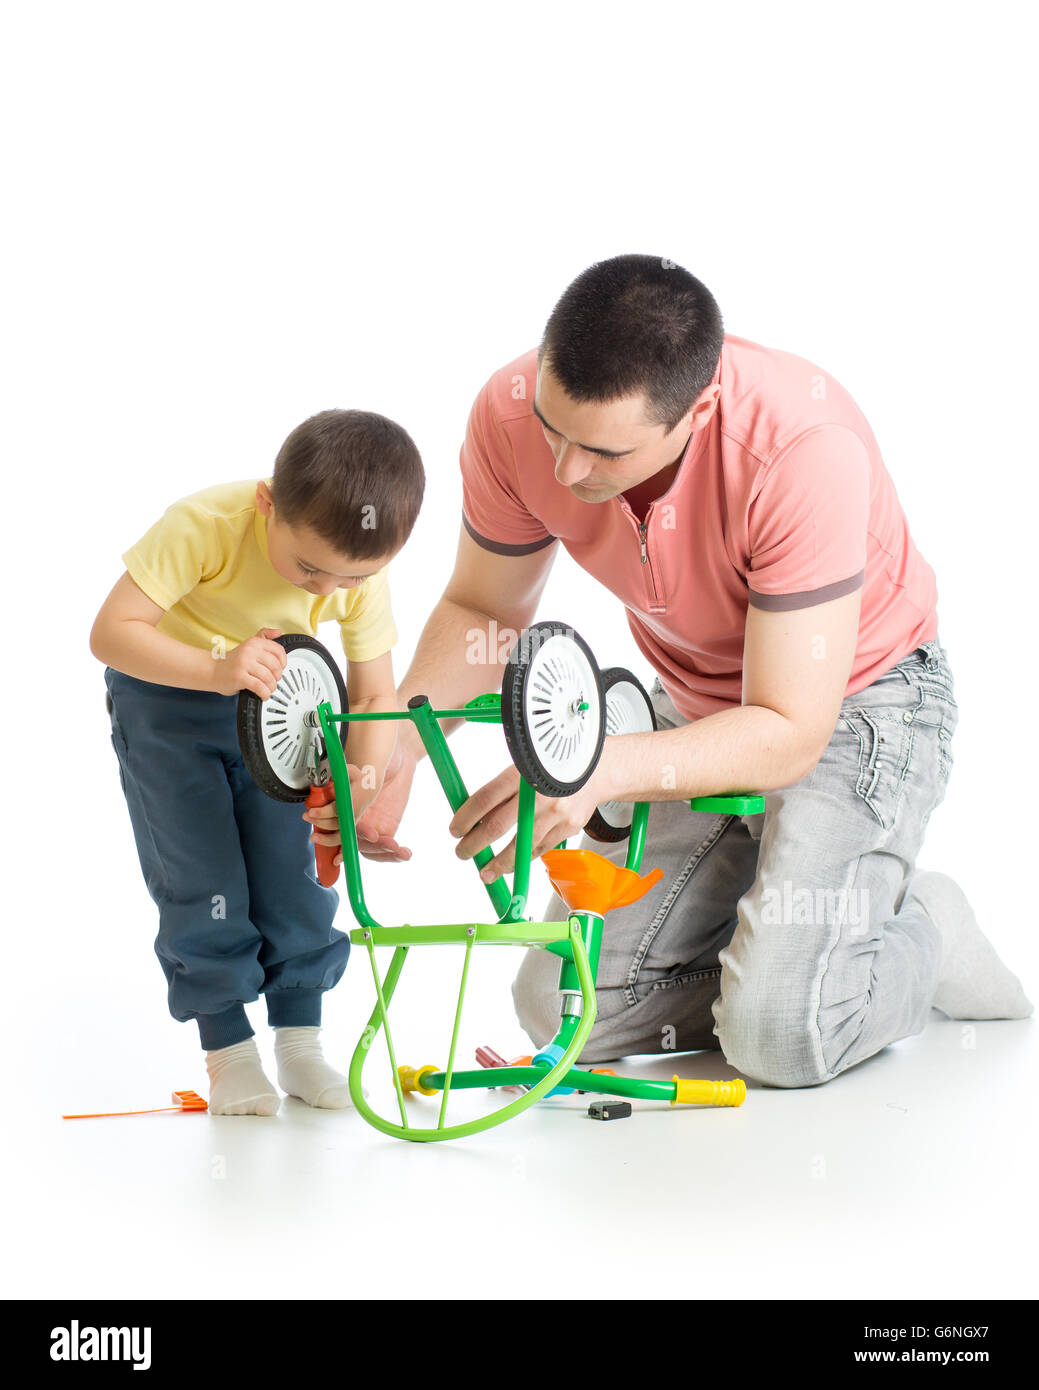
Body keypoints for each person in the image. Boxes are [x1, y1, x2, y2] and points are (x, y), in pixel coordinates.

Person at [308, 254, 1030, 1089]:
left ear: (701, 407)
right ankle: (790, 952)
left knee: (779, 1043)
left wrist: (595, 768)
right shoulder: (508, 415)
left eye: (603, 451)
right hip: (690, 705)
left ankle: (912, 927)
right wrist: (397, 737)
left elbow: (790, 729)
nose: (567, 472)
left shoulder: (801, 447)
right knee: (559, 1010)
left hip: (857, 705)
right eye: (554, 431)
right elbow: (484, 614)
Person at [90, 409, 425, 1114]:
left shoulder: (356, 573)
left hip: (284, 714)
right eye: (309, 569)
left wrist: (355, 784)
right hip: (169, 704)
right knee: (202, 879)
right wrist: (216, 669)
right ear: (268, 503)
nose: (324, 592)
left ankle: (300, 1046)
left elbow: (370, 692)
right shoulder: (204, 524)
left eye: (347, 579)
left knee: (291, 878)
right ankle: (229, 1053)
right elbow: (111, 633)